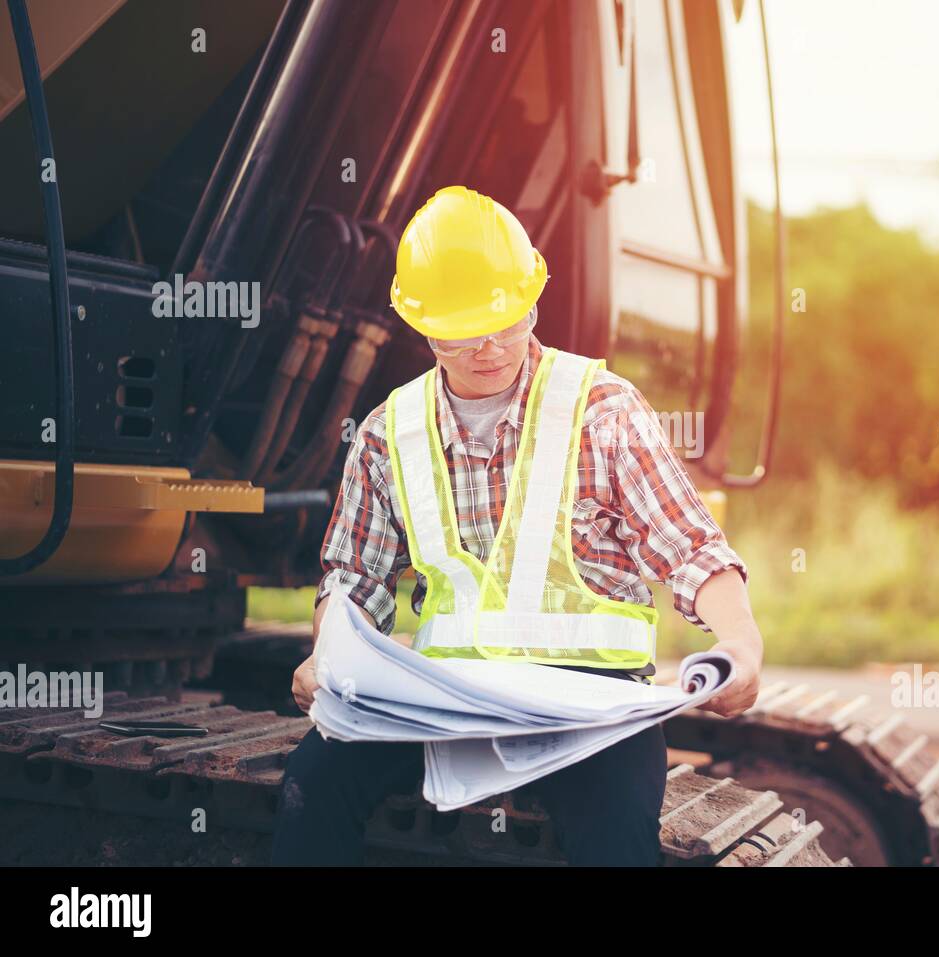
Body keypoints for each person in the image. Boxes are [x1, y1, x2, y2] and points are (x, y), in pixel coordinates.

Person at [271, 185, 764, 866]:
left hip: (590, 714)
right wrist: (325, 656)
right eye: (463, 330)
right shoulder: (390, 432)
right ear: (422, 325)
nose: (492, 346)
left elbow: (692, 548)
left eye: (509, 319)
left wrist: (739, 638)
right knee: (312, 786)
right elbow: (355, 578)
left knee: (616, 836)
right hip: (441, 707)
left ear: (532, 299)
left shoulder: (602, 410)